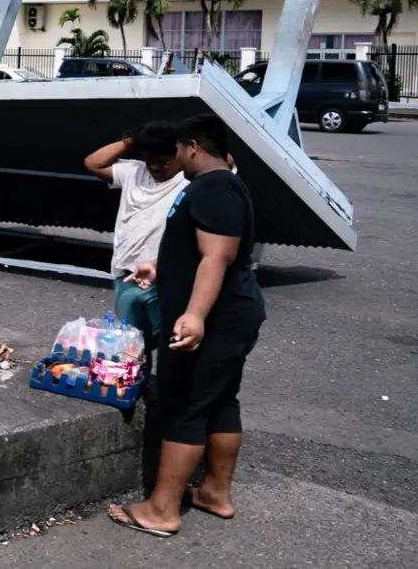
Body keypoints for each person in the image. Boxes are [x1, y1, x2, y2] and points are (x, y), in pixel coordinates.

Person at [108, 114, 264, 539]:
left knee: (183, 405)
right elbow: (199, 250)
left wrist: (194, 315)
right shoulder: (219, 187)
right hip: (229, 316)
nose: (175, 157)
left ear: (192, 147)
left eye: (178, 149)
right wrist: (160, 267)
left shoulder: (213, 187)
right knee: (220, 401)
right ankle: (214, 492)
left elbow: (217, 256)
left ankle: (162, 510)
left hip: (215, 320)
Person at [84, 121, 186, 347]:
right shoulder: (133, 171)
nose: (155, 167)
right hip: (127, 273)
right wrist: (129, 142)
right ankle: (137, 380)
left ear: (180, 156)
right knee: (130, 343)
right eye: (151, 161)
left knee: (172, 342)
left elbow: (225, 162)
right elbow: (93, 163)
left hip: (165, 276)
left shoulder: (190, 180)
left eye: (163, 162)